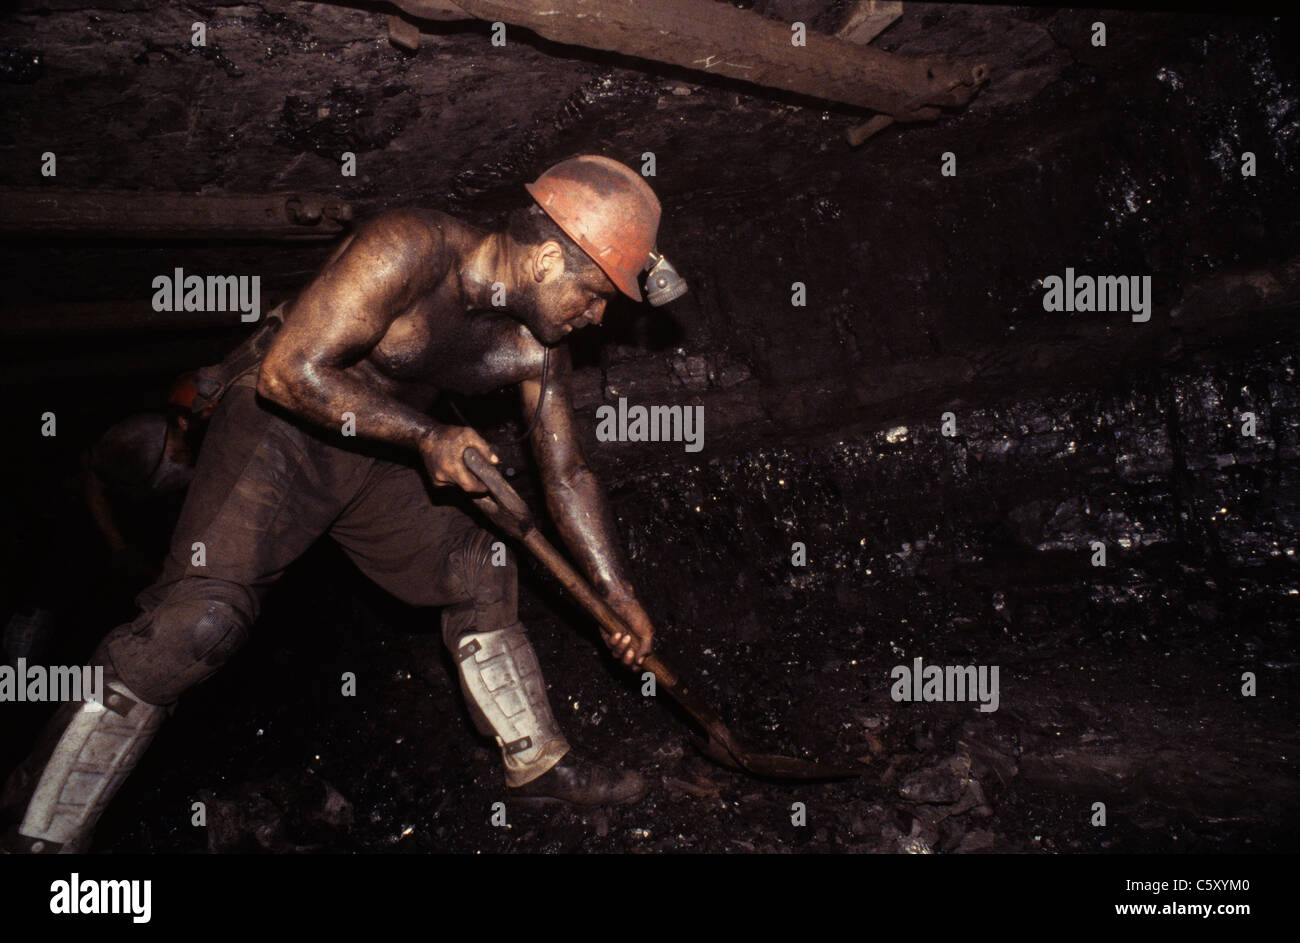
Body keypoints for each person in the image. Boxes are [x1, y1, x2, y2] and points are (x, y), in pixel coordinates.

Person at [2, 154, 688, 853]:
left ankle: (536, 762)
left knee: (479, 560)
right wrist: (429, 436)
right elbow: (286, 370)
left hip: (380, 456)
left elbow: (566, 473)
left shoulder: (536, 350)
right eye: (595, 294)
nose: (598, 317)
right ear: (546, 258)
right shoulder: (411, 246)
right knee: (201, 621)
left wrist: (616, 591)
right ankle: (40, 826)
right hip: (284, 429)